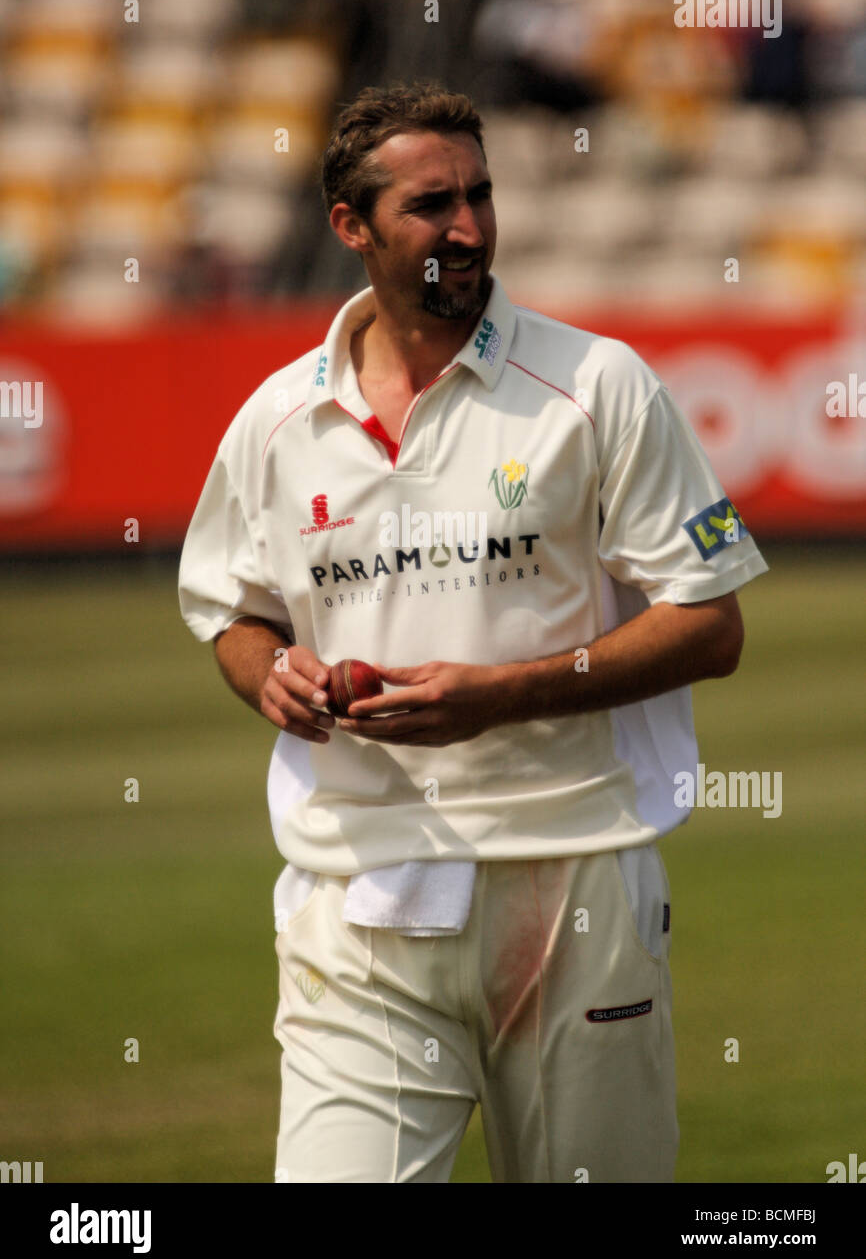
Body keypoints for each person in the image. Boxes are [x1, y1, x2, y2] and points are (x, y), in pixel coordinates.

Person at [178, 80, 768, 1184]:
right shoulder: (272, 421)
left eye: (479, 195)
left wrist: (499, 693)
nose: (466, 226)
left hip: (571, 881)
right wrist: (271, 677)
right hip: (356, 897)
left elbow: (710, 622)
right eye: (430, 203)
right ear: (350, 226)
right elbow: (233, 609)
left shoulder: (596, 385)